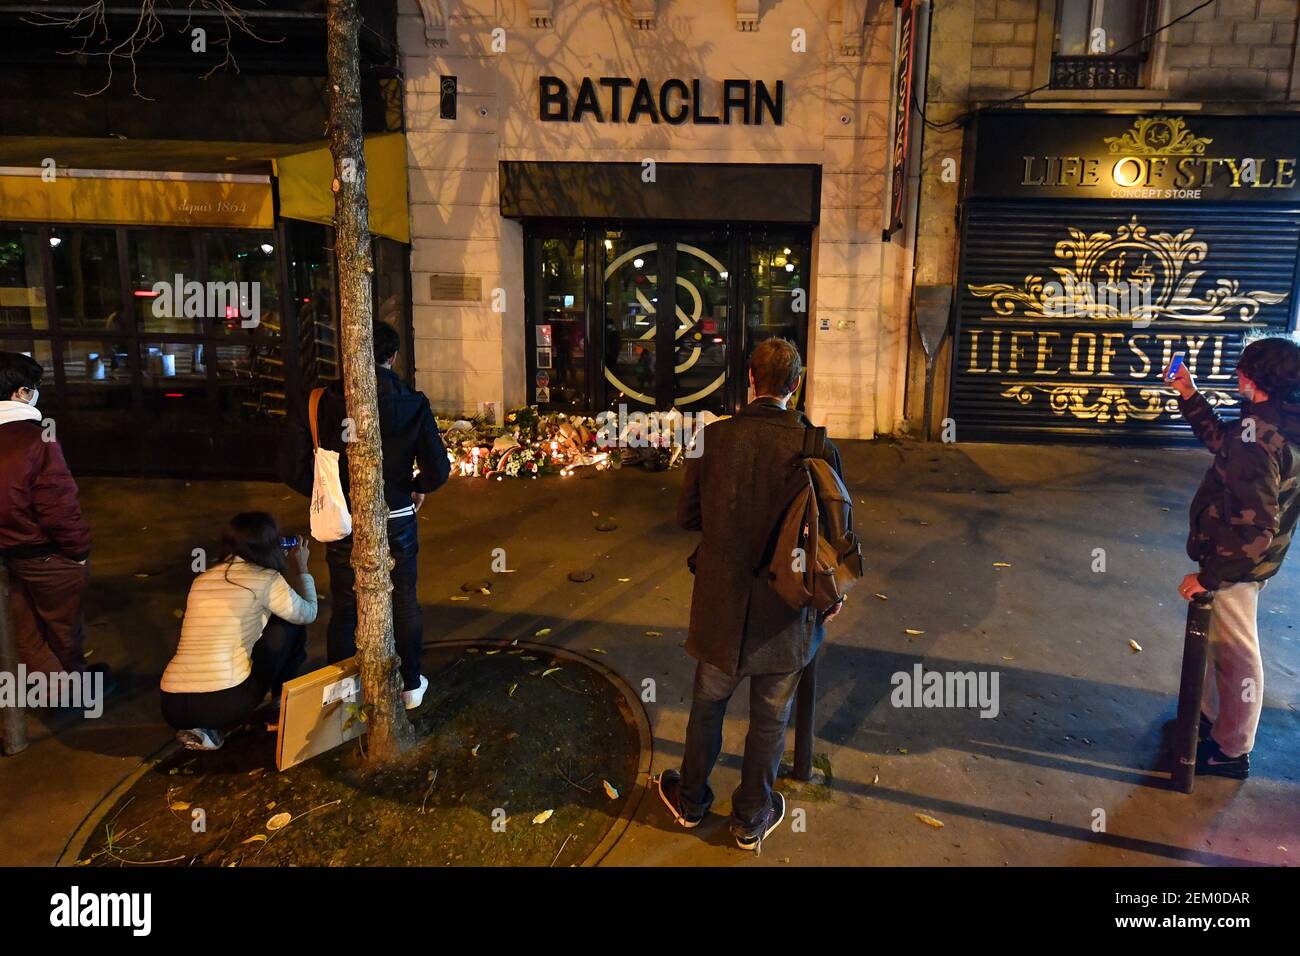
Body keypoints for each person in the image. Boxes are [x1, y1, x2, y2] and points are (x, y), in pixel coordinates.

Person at [658, 337, 847, 851]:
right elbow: (834, 534)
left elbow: (688, 517)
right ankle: (750, 819)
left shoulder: (712, 438)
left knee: (707, 707)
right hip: (785, 612)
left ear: (750, 380)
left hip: (721, 604)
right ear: (796, 385)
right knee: (769, 720)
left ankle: (691, 801)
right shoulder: (815, 444)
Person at [277, 321, 450, 710]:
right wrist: (415, 486)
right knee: (403, 597)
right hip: (397, 515)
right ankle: (408, 684)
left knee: (346, 603)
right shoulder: (412, 401)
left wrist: (328, 492)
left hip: (343, 520)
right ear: (393, 357)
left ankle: (345, 691)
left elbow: (290, 467)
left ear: (347, 355)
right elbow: (438, 470)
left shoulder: (319, 402)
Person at [1168, 337, 1300, 780]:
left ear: (1254, 378)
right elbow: (1223, 442)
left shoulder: (1259, 438)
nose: (1237, 373)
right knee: (1220, 648)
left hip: (1237, 564)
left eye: (1242, 368)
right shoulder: (1274, 421)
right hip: (1251, 563)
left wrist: (1211, 576)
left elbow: (1255, 526)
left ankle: (1231, 750)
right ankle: (1206, 721)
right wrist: (1189, 394)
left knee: (1237, 655)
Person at [0, 351, 111, 694]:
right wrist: (78, 552)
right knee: (63, 629)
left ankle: (47, 690)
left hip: (7, 552)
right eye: (33, 387)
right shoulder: (37, 439)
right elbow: (58, 507)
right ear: (20, 393)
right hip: (44, 552)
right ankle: (72, 693)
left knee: (27, 629)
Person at [160, 513, 317, 751]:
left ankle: (207, 731)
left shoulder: (202, 579)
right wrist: (303, 568)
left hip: (172, 705)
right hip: (224, 701)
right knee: (290, 623)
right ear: (268, 545)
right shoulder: (267, 579)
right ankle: (280, 703)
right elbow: (308, 612)